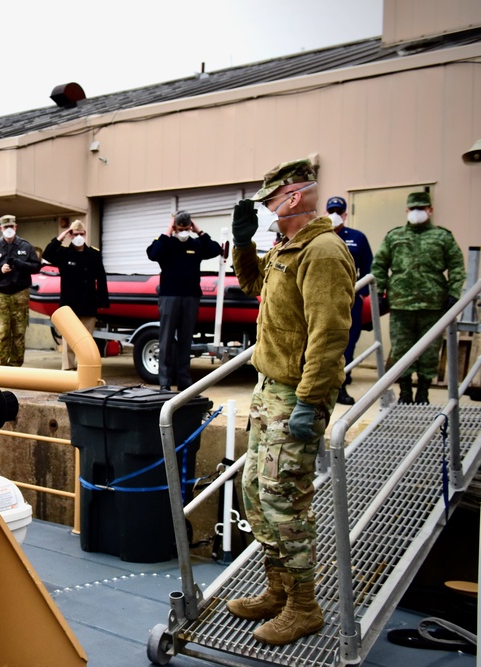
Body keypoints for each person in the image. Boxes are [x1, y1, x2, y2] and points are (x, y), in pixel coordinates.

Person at [225, 158, 356, 646]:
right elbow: (255, 286)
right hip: (269, 390)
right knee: (256, 494)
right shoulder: (289, 247)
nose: (268, 211)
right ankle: (278, 591)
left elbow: (329, 334)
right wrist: (242, 246)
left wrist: (310, 402)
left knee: (284, 501)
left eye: (271, 202)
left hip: (296, 395)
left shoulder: (323, 251)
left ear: (293, 197)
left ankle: (304, 606)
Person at [371, 192, 465, 404]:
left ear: (430, 210)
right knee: (401, 349)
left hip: (433, 305)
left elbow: (457, 266)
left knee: (430, 351)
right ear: (406, 211)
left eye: (421, 208)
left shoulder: (442, 237)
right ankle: (405, 392)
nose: (417, 212)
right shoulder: (394, 236)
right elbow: (379, 265)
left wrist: (453, 293)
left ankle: (423, 392)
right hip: (401, 304)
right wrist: (379, 292)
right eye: (413, 209)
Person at [146, 211, 222, 389]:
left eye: (186, 228)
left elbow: (215, 249)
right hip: (169, 297)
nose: (183, 232)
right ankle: (164, 382)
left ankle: (184, 381)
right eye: (180, 228)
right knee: (165, 339)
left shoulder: (195, 245)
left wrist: (199, 231)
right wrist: (167, 232)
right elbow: (152, 254)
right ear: (174, 228)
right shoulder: (167, 244)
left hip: (190, 297)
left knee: (186, 341)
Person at [42, 218, 110, 370]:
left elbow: (101, 277)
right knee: (69, 339)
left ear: (85, 234)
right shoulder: (63, 253)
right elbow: (47, 254)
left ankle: (84, 368)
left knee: (86, 339)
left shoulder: (93, 254)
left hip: (88, 303)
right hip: (69, 304)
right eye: (74, 234)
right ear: (70, 236)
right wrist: (62, 236)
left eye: (81, 234)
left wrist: (103, 301)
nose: (78, 237)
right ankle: (68, 368)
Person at [326, 196, 373, 405]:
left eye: (339, 211)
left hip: (350, 301)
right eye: (332, 211)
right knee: (321, 342)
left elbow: (368, 268)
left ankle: (340, 387)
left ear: (345, 214)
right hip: (323, 300)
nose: (335, 215)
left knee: (347, 344)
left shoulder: (357, 238)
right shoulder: (319, 236)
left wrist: (360, 293)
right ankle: (322, 386)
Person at [0, 214, 41, 366]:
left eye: (11, 226)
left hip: (20, 293)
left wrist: (21, 264)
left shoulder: (25, 246)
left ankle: (16, 364)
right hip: (1, 293)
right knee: (3, 331)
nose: (9, 229)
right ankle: (2, 365)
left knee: (19, 331)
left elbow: (36, 267)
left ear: (15, 227)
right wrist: (0, 270)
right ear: (0, 228)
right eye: (5, 227)